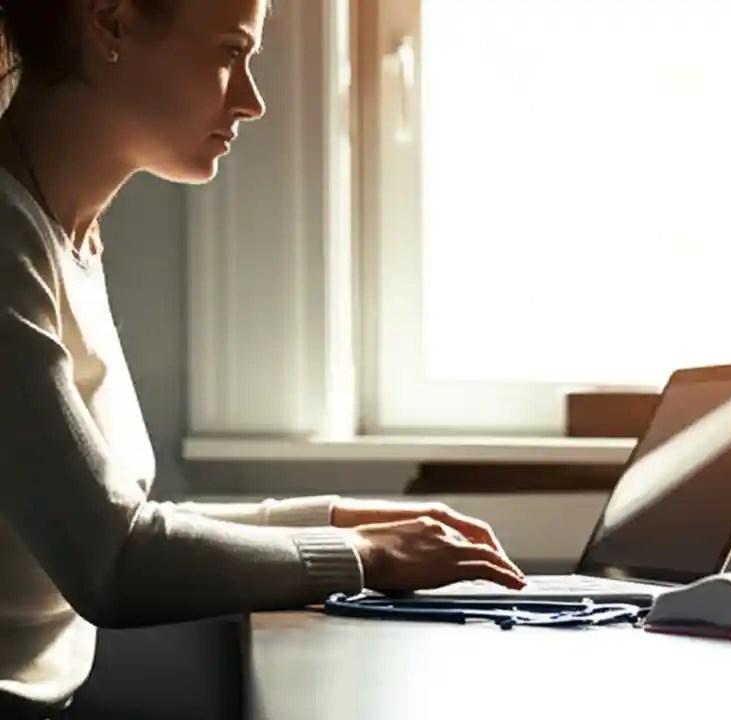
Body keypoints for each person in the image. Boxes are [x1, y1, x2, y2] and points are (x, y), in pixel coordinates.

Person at [0, 0, 528, 716]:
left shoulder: (63, 236)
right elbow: (112, 564)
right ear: (112, 22)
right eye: (228, 52)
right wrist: (366, 558)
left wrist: (337, 521)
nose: (251, 100)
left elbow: (117, 518)